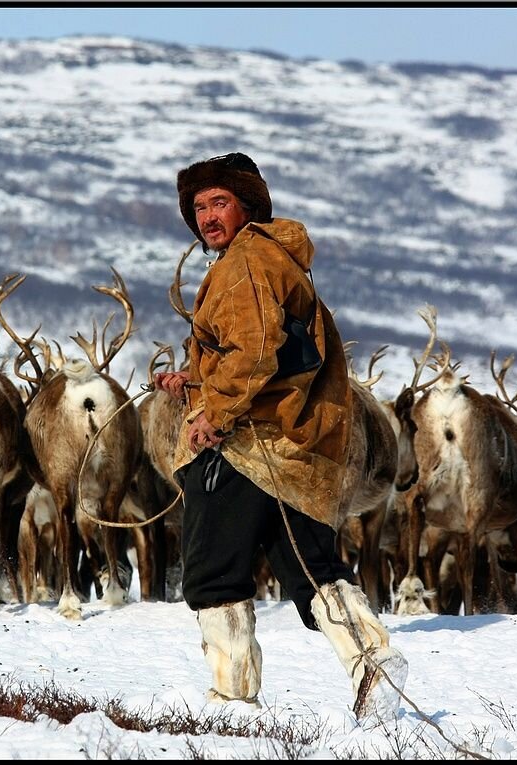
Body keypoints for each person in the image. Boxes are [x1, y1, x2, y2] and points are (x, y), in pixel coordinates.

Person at [154, 152, 408, 721]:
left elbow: (254, 350)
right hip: (299, 448)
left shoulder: (244, 262)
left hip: (247, 449)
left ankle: (233, 699)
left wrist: (213, 414)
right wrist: (192, 378)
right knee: (310, 567)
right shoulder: (274, 256)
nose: (208, 217)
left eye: (220, 202)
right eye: (199, 207)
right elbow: (270, 349)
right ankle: (374, 663)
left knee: (214, 570)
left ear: (248, 205)